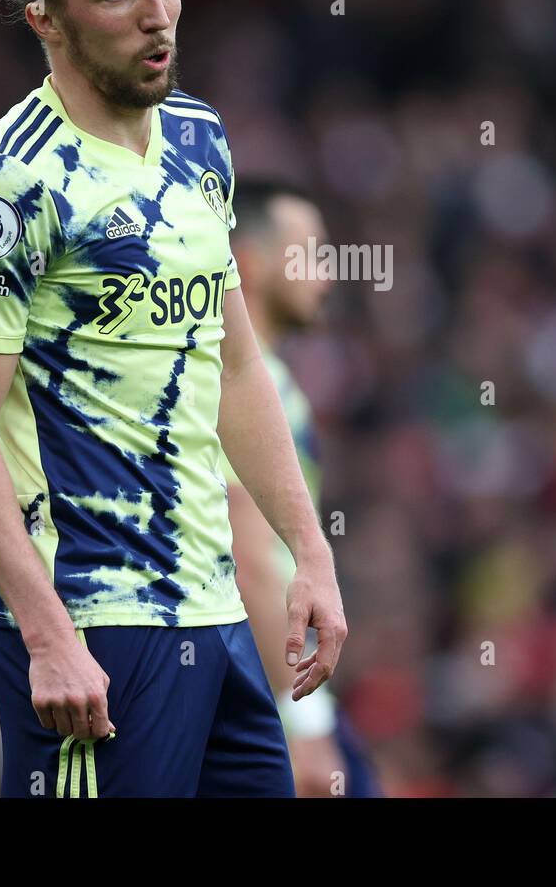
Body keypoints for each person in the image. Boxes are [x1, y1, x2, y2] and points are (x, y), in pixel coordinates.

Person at [0, 0, 345, 798]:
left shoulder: (198, 140)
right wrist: (48, 637)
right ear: (46, 17)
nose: (158, 12)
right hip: (94, 625)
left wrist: (307, 554)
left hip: (219, 614)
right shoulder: (3, 192)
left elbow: (235, 366)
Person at [221, 179, 383, 797]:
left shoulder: (268, 382)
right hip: (263, 692)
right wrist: (303, 719)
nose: (328, 273)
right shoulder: (248, 393)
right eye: (309, 252)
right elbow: (251, 559)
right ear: (249, 263)